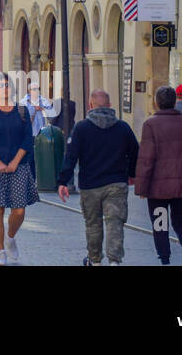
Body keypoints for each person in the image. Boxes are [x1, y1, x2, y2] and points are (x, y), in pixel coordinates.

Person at [57, 89, 140, 266]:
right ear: (110, 106)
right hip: (116, 183)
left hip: (90, 184)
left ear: (90, 106)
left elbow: (71, 156)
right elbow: (135, 152)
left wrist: (63, 181)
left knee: (93, 224)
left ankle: (95, 260)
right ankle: (114, 261)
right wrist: (131, 174)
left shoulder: (81, 128)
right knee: (115, 223)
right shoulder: (123, 127)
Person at [135, 85, 182, 266]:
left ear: (157, 103)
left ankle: (165, 259)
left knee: (160, 225)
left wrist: (141, 188)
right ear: (174, 102)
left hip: (158, 190)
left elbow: (146, 158)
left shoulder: (150, 124)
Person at [0, 79, 37, 265]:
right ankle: (0, 251)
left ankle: (10, 237)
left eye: (8, 85)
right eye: (1, 86)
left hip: (19, 165)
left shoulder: (21, 111)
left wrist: (14, 161)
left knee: (19, 210)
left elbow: (28, 140)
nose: (5, 88)